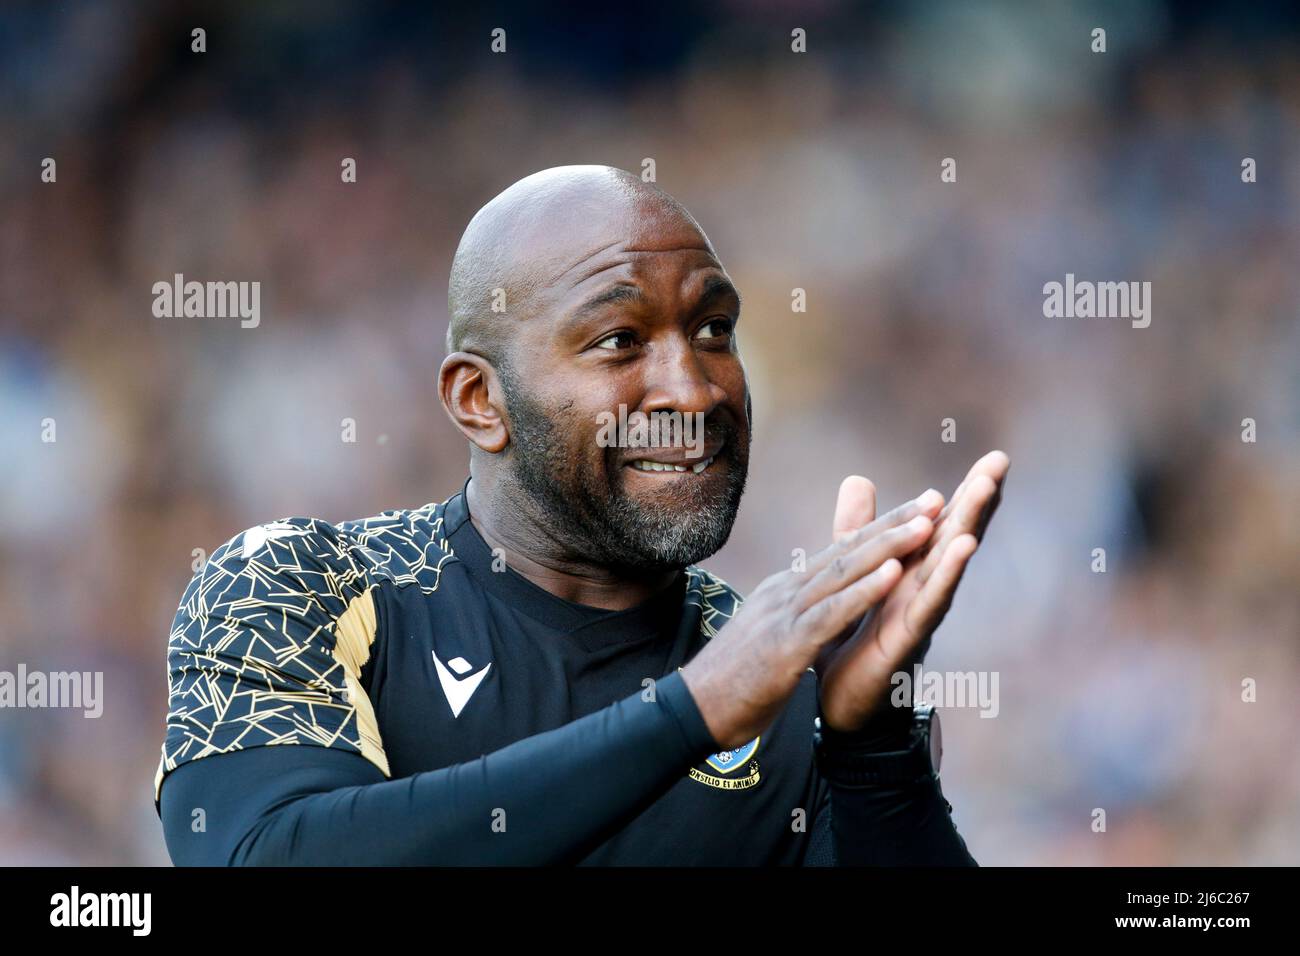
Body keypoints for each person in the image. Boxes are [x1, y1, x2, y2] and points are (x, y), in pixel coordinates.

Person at [156, 165, 1009, 865]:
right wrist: (691, 712)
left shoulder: (786, 680)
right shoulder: (299, 588)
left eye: (714, 328)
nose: (693, 387)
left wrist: (874, 754)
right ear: (480, 398)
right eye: (619, 340)